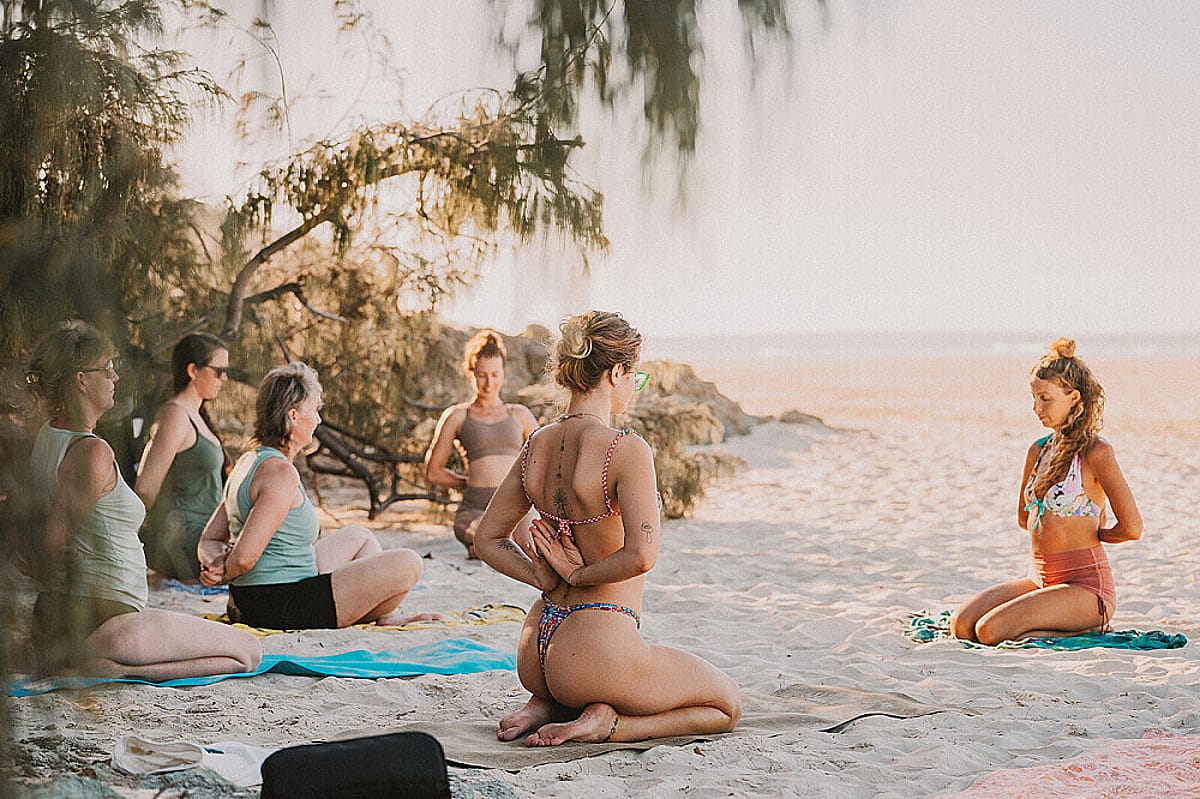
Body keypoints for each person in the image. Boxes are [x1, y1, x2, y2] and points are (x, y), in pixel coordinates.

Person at [475, 310, 741, 746]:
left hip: (536, 646)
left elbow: (486, 538)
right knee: (725, 705)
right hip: (595, 651)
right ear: (616, 371)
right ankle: (608, 724)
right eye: (634, 376)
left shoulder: (536, 444)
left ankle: (545, 703)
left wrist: (540, 575)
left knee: (578, 681)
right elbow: (641, 556)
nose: (633, 388)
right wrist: (578, 575)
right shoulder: (626, 448)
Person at [25, 321, 261, 678]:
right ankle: (96, 663)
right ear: (80, 380)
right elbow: (49, 544)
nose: (114, 377)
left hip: (76, 615)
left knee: (238, 652)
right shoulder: (91, 453)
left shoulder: (48, 437)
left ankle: (92, 662)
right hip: (105, 618)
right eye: (107, 368)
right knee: (249, 652)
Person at [198, 362, 431, 629]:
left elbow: (209, 539)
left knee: (361, 537)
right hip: (279, 605)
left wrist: (214, 563)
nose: (318, 420)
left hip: (252, 599)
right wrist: (225, 571)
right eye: (315, 410)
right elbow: (244, 558)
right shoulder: (280, 474)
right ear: (293, 415)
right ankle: (378, 614)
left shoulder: (248, 461)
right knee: (410, 563)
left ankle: (385, 616)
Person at [950, 338, 1142, 645]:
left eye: (1045, 398)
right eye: (1034, 398)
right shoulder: (1038, 451)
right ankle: (1045, 615)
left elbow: (1132, 528)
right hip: (1040, 578)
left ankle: (1087, 627)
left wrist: (1094, 533)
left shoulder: (1096, 453)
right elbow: (1024, 519)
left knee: (989, 632)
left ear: (1074, 398)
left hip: (1086, 588)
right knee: (962, 625)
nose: (1037, 408)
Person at [424, 330, 537, 558]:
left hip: (516, 509)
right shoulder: (457, 416)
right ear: (470, 373)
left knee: (527, 546)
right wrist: (467, 484)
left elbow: (547, 461)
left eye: (495, 374)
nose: (489, 383)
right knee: (488, 539)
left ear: (503, 373)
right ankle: (485, 547)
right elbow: (433, 472)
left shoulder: (519, 414)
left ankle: (489, 548)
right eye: (482, 375)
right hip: (474, 511)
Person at [135, 333, 231, 580]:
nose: (224, 378)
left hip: (205, 534)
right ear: (193, 370)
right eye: (218, 371)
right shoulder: (175, 416)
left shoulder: (197, 415)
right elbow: (145, 489)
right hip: (181, 538)